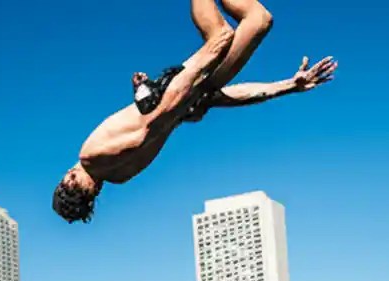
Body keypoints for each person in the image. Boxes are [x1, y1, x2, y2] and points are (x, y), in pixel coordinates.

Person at [52, 0, 336, 223]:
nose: (95, 192)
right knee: (259, 20)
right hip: (185, 100)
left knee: (221, 36)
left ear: (69, 178)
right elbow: (208, 103)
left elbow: (152, 123)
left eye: (85, 193)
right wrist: (288, 86)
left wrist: (188, 79)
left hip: (179, 94)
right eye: (89, 199)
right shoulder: (118, 174)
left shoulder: (91, 156)